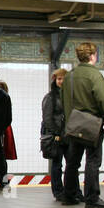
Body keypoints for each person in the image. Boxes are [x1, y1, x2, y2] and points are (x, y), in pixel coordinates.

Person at [60, 42, 104, 208]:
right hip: (92, 125)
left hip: (74, 125)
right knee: (93, 161)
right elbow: (102, 99)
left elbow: (64, 100)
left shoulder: (70, 76)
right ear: (92, 56)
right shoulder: (94, 75)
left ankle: (68, 195)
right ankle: (92, 198)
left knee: (72, 162)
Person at [41, 68, 67, 201]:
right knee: (57, 164)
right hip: (57, 136)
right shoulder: (50, 97)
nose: (61, 81)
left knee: (71, 164)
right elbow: (47, 118)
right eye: (59, 79)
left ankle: (71, 190)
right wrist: (57, 132)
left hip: (68, 134)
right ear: (55, 80)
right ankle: (58, 191)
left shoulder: (70, 96)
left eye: (63, 78)